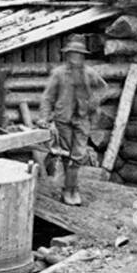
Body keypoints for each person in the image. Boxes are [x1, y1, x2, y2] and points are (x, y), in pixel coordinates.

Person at [38, 35, 105, 206]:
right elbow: (48, 98)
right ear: (67, 56)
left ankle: (71, 188)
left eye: (79, 55)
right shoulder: (59, 74)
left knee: (79, 155)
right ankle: (69, 190)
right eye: (73, 55)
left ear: (83, 57)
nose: (76, 59)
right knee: (67, 156)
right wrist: (45, 117)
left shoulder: (89, 74)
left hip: (82, 119)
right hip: (64, 119)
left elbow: (102, 88)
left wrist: (94, 103)